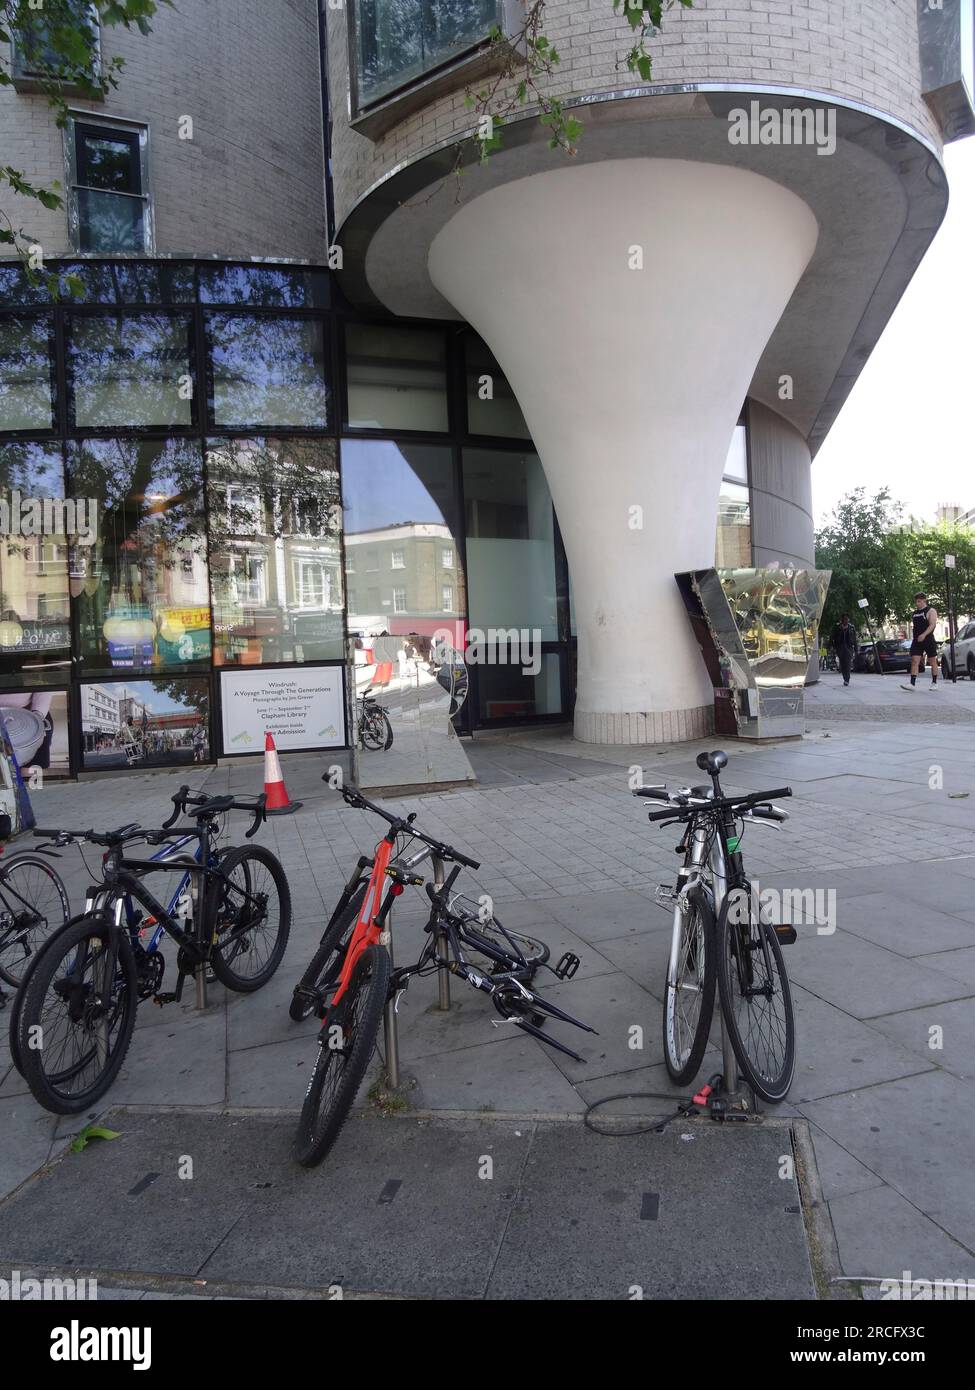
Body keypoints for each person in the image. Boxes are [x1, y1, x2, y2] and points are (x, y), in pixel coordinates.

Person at [902, 592, 939, 691]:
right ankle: (912, 683)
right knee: (914, 660)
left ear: (924, 600)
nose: (917, 603)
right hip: (917, 640)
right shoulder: (915, 613)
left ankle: (934, 682)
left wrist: (924, 634)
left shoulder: (931, 611)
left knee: (932, 661)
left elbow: (932, 625)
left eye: (919, 601)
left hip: (928, 639)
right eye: (916, 602)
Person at [831, 613, 857, 686]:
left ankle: (847, 679)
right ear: (842, 620)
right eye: (844, 619)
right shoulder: (837, 627)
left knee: (848, 663)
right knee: (842, 664)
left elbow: (855, 639)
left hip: (849, 647)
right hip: (840, 647)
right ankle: (845, 677)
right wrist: (834, 647)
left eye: (847, 619)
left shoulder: (852, 627)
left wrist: (856, 649)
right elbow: (832, 638)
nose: (846, 620)